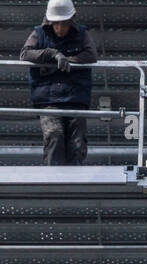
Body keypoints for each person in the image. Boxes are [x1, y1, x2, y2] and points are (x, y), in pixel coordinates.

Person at [20, 1, 97, 167]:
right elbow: (25, 53)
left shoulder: (82, 34)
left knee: (77, 144)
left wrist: (67, 61)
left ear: (71, 20)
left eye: (64, 23)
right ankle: (52, 185)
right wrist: (52, 54)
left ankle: (75, 186)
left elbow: (91, 55)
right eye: (56, 23)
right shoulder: (39, 33)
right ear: (50, 21)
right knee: (54, 136)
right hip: (49, 100)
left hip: (75, 98)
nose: (60, 28)